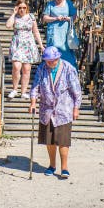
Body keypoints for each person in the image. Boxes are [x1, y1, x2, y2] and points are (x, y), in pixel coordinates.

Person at [29, 46, 82, 179]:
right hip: (46, 110)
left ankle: (64, 168)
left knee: (63, 141)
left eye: (52, 60)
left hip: (64, 110)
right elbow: (35, 86)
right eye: (47, 60)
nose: (50, 63)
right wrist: (33, 102)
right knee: (49, 140)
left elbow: (76, 90)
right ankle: (52, 165)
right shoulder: (42, 68)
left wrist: (76, 108)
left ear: (57, 58)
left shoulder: (68, 68)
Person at [6, 0, 43, 99]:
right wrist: (13, 14)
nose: (22, 10)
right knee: (16, 66)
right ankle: (14, 89)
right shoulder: (15, 17)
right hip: (17, 44)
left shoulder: (31, 17)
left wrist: (41, 45)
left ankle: (23, 91)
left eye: (24, 8)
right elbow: (8, 25)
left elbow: (35, 32)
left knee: (26, 69)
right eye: (20, 8)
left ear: (27, 8)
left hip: (28, 44)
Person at [42, 0, 78, 69]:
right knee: (54, 51)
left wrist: (68, 18)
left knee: (66, 52)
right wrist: (55, 18)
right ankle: (53, 69)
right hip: (54, 32)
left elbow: (74, 16)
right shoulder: (50, 4)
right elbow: (45, 18)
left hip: (65, 32)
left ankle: (68, 70)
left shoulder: (69, 3)